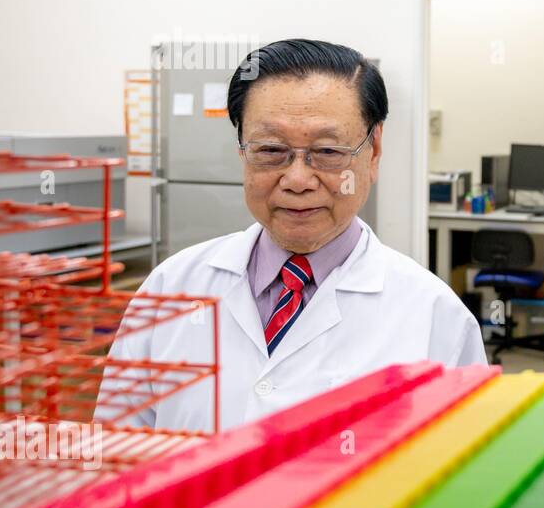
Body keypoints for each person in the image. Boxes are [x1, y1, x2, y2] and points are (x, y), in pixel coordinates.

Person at [99, 39, 486, 431]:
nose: (298, 180)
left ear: (374, 152)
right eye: (271, 149)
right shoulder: (171, 288)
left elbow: (466, 475)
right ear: (241, 152)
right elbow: (116, 451)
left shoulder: (436, 316)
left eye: (329, 152)